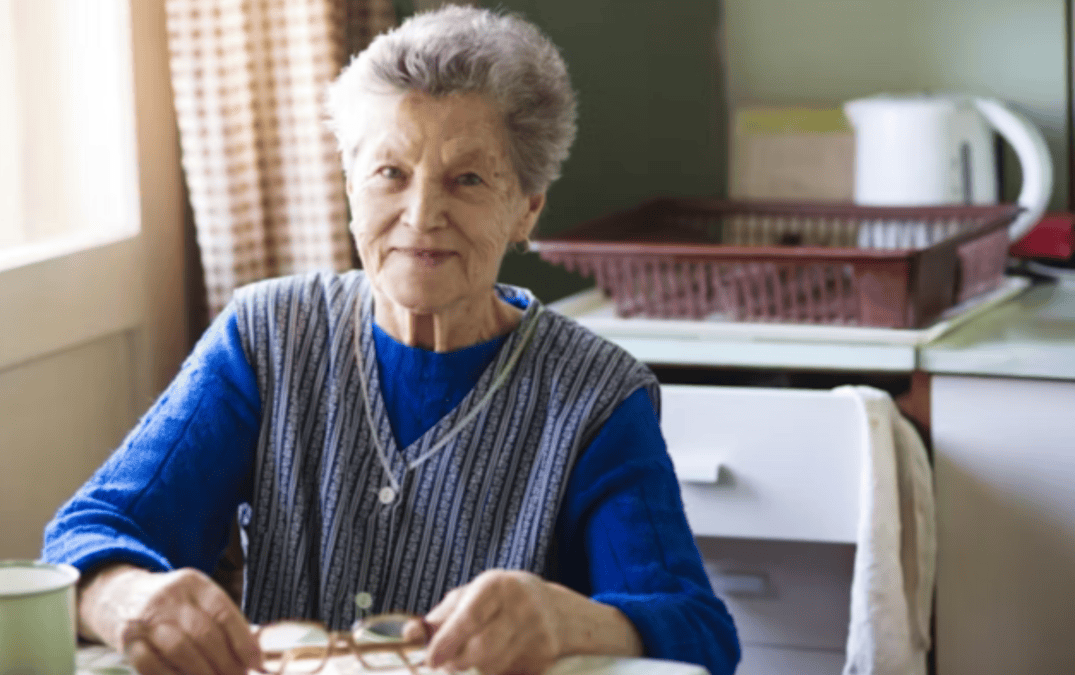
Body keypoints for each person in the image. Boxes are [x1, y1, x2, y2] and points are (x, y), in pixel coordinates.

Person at [42, 6, 740, 675]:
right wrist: (124, 597)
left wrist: (565, 620)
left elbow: (698, 631)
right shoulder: (266, 336)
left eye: (467, 179)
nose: (421, 214)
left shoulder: (594, 396)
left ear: (527, 208)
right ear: (350, 187)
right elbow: (86, 532)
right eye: (390, 173)